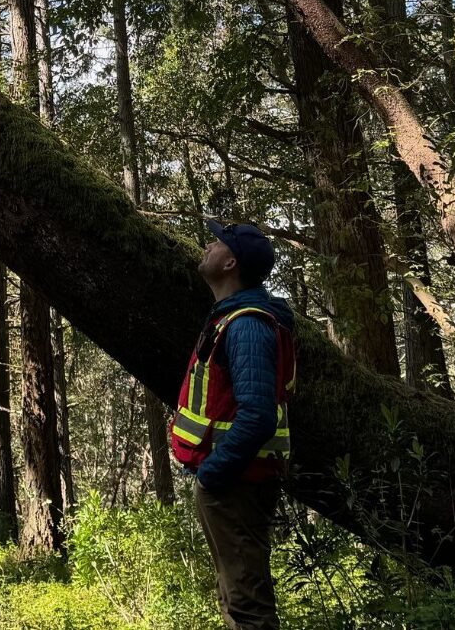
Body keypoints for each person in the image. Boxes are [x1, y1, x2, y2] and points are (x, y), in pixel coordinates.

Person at [171, 221, 296, 630]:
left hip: (237, 482)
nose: (207, 245)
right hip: (233, 481)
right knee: (235, 597)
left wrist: (212, 473)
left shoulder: (247, 325)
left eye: (217, 242)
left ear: (230, 262)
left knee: (247, 606)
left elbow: (257, 414)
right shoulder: (231, 319)